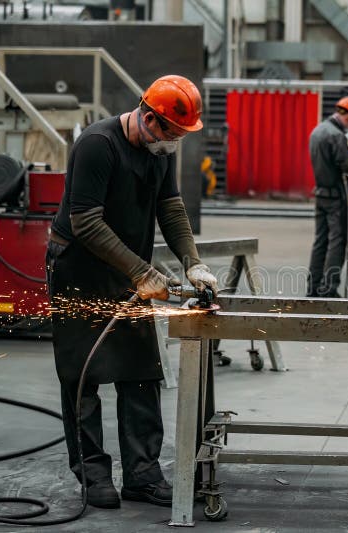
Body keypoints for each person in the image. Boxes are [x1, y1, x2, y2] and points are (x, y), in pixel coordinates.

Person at [46, 75, 218, 509]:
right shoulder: (96, 145)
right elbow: (86, 222)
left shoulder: (159, 150)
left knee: (141, 372)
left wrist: (191, 261)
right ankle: (92, 474)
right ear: (148, 118)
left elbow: (170, 207)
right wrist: (142, 271)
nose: (173, 144)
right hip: (79, 271)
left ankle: (142, 474)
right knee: (81, 376)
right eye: (171, 134)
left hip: (127, 271)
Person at [307, 96, 348, 297]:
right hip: (335, 198)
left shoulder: (317, 131)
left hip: (320, 194)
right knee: (337, 243)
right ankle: (329, 289)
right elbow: (346, 166)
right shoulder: (336, 135)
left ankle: (313, 287)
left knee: (320, 241)